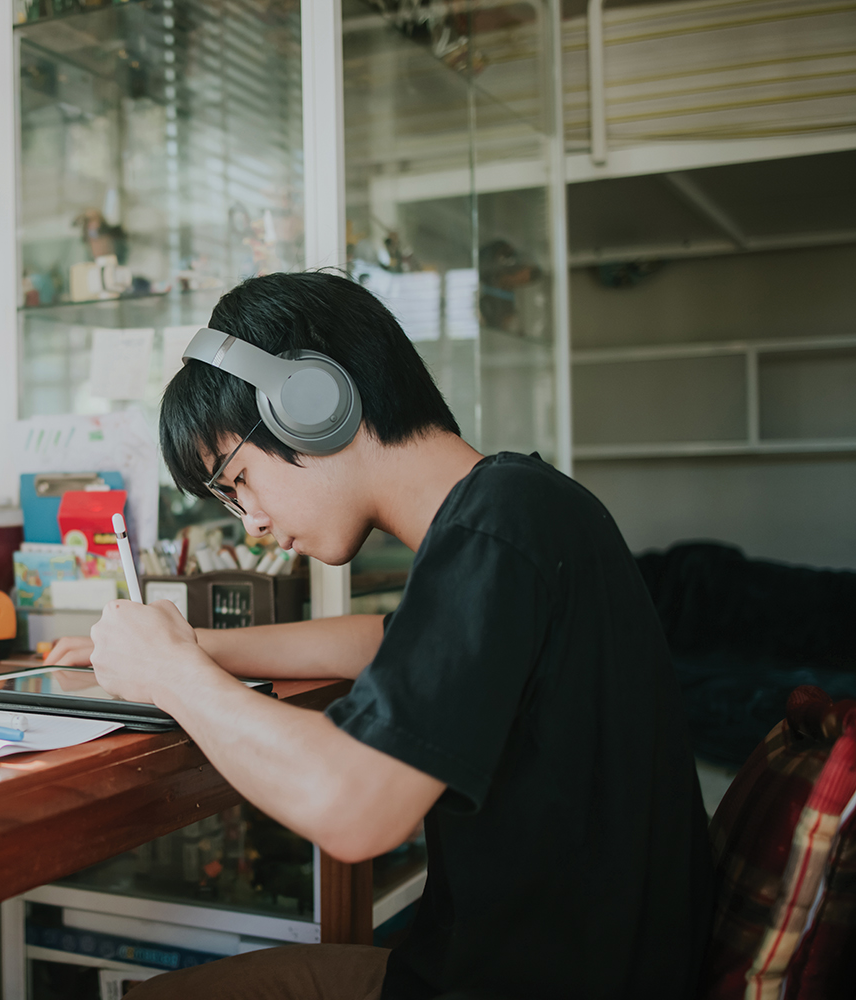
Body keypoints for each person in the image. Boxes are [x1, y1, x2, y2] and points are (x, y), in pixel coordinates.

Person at [45, 270, 712, 999]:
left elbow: (354, 809)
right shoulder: (518, 506)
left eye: (238, 481)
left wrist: (174, 678)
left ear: (312, 403)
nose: (254, 521)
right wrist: (194, 645)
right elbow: (384, 641)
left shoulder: (496, 527)